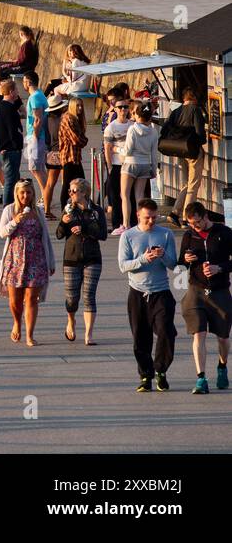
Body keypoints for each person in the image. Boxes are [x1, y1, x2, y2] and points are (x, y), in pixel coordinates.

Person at [118, 198, 177, 391]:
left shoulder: (166, 234)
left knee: (166, 332)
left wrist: (162, 256)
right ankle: (145, 375)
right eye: (147, 218)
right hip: (137, 293)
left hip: (161, 292)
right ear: (138, 216)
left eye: (154, 217)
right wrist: (143, 259)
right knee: (140, 337)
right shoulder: (128, 236)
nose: (151, 222)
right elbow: (123, 266)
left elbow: (174, 265)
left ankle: (161, 370)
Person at [177, 202, 232, 394]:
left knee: (223, 337)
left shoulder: (224, 233)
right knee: (198, 334)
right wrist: (186, 259)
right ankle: (201, 378)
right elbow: (180, 265)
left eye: (197, 222)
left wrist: (220, 268)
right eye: (191, 223)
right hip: (196, 289)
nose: (194, 226)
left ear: (205, 216)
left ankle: (222, 366)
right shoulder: (189, 235)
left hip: (220, 291)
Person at [0, 180, 55, 346]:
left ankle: (30, 334)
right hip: (14, 260)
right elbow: (2, 233)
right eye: (22, 193)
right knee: (15, 300)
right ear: (16, 194)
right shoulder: (9, 210)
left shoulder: (38, 211)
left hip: (36, 259)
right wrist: (15, 221)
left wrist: (51, 261)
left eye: (28, 192)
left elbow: (45, 237)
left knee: (31, 298)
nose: (25, 196)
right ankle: (17, 322)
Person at [57, 177, 107, 346]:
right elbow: (59, 234)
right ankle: (71, 320)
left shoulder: (96, 211)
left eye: (74, 191)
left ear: (84, 193)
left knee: (89, 296)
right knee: (72, 298)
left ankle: (88, 334)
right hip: (71, 258)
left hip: (92, 258)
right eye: (70, 190)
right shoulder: (68, 210)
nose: (71, 193)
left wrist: (84, 228)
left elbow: (102, 234)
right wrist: (63, 223)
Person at [161, 89, 207, 223]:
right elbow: (200, 133)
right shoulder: (195, 110)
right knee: (193, 184)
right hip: (193, 151)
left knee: (187, 183)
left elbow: (164, 129)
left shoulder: (176, 111)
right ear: (194, 98)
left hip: (179, 150)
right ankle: (187, 218)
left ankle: (175, 213)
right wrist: (200, 142)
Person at [118, 101, 159, 233]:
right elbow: (154, 153)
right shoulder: (153, 132)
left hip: (130, 163)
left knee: (124, 194)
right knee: (139, 196)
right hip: (145, 164)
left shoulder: (133, 129)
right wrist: (153, 170)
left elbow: (128, 149)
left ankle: (126, 224)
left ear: (137, 115)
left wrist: (118, 150)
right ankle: (141, 223)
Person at [103, 94, 134, 234]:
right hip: (116, 164)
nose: (123, 109)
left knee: (130, 195)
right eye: (120, 107)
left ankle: (131, 222)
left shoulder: (132, 126)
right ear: (115, 109)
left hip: (130, 163)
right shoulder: (111, 127)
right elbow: (107, 147)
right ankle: (117, 223)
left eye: (125, 107)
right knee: (115, 195)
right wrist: (109, 166)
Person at [0, 79, 24, 208]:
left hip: (4, 147)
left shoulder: (0, 106)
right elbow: (12, 129)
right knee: (10, 181)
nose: (18, 92)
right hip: (11, 149)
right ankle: (7, 207)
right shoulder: (9, 108)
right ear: (11, 92)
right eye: (16, 90)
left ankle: (14, 205)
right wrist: (17, 145)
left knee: (13, 179)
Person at [21, 72, 50, 207]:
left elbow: (38, 119)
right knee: (38, 168)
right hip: (37, 136)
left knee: (36, 168)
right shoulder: (39, 95)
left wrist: (34, 137)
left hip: (37, 136)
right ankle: (45, 196)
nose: (23, 84)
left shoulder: (35, 97)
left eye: (24, 81)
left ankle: (46, 197)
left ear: (28, 81)